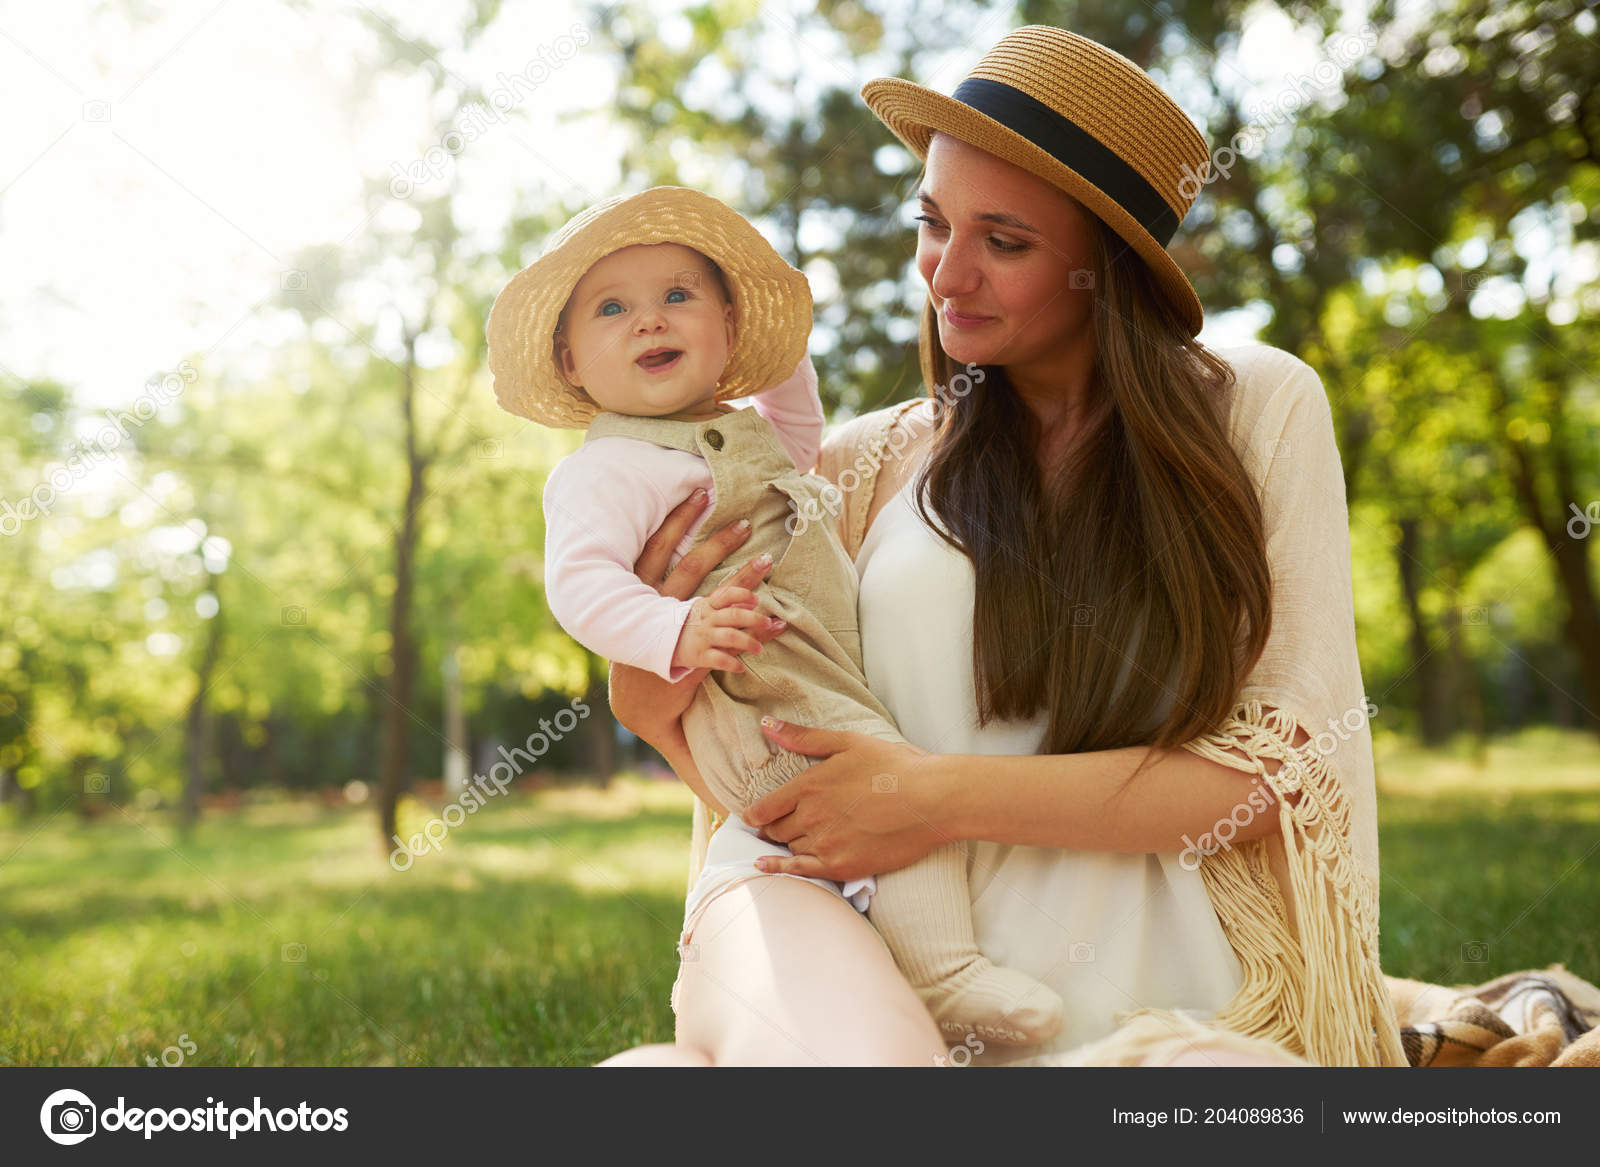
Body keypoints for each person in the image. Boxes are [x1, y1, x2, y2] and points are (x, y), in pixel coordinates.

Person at [600, 25, 1406, 1068]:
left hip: (1142, 998)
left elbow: (1281, 777)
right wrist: (649, 695)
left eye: (1006, 242)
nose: (948, 274)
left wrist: (926, 796)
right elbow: (772, 739)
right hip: (867, 968)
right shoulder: (857, 463)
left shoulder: (1251, 406)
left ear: (1106, 269)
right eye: (931, 223)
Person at [485, 186, 1065, 1055]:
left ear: (724, 326)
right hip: (754, 692)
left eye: (678, 297)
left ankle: (911, 974)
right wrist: (673, 635)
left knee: (889, 796)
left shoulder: (737, 434)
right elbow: (579, 584)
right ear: (571, 362)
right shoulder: (605, 469)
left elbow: (798, 429)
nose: (650, 322)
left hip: (802, 676)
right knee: (894, 791)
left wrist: (775, 348)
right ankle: (943, 974)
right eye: (613, 309)